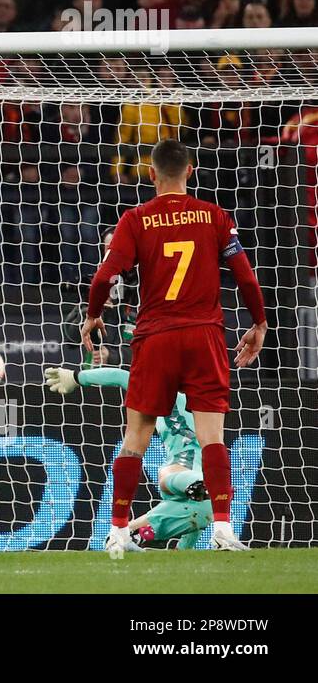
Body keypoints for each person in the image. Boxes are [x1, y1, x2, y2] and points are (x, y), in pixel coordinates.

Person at [81, 139, 267, 557]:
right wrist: (258, 323)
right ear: (191, 171)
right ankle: (222, 529)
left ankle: (117, 533)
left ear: (151, 175)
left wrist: (94, 315)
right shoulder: (216, 216)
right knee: (212, 439)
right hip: (204, 336)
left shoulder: (136, 218)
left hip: (155, 337)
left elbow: (103, 278)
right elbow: (247, 279)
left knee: (135, 439)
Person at [46, 364, 213, 551]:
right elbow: (122, 377)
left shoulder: (181, 396)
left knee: (201, 509)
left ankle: (131, 536)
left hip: (190, 473)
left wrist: (185, 550)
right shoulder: (178, 397)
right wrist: (77, 377)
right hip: (189, 473)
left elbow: (120, 376)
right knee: (204, 497)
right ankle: (197, 484)